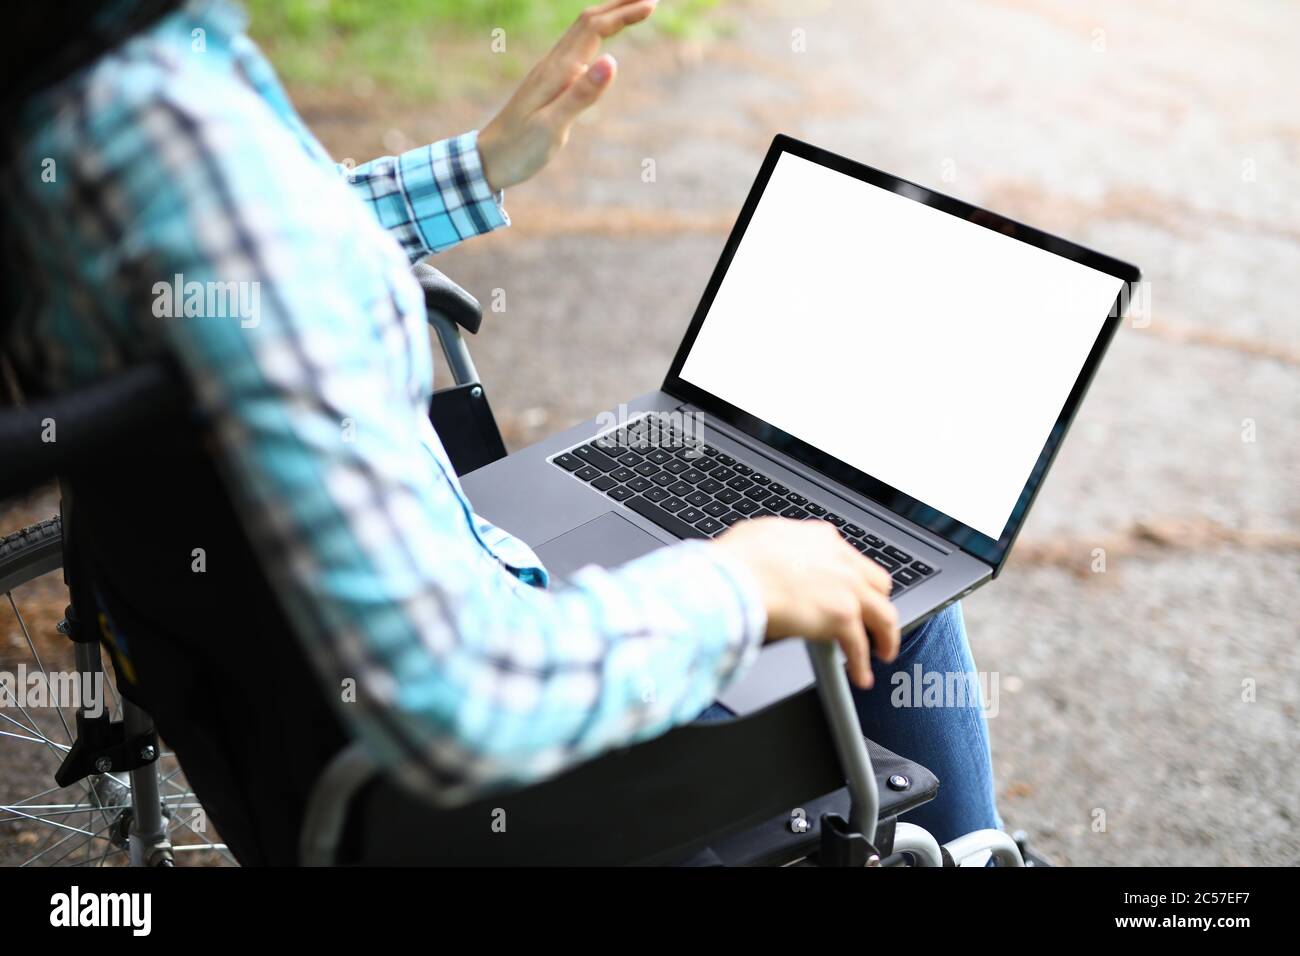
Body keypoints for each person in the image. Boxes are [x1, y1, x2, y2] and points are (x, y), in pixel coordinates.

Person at [0, 0, 998, 844]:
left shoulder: (78, 83)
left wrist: (477, 165)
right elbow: (464, 700)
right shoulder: (170, 134)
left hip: (307, 699)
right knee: (879, 569)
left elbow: (253, 262)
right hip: (503, 788)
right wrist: (737, 581)